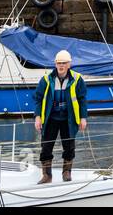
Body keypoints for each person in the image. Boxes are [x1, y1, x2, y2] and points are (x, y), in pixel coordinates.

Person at [33, 50, 88, 184]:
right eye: (59, 63)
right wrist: (38, 117)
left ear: (69, 64)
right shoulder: (47, 79)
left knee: (69, 147)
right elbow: (38, 99)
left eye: (64, 63)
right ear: (55, 64)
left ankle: (66, 173)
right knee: (46, 147)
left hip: (68, 119)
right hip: (50, 118)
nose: (61, 65)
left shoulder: (77, 79)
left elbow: (82, 100)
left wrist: (83, 118)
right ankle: (47, 175)